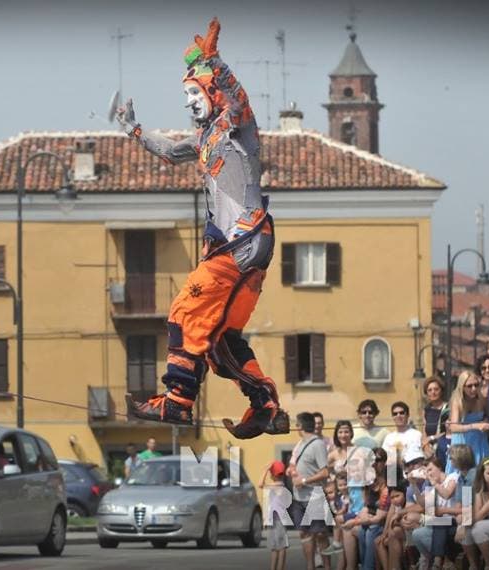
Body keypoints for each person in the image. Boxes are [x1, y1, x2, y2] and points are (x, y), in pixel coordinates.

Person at [118, 17, 288, 439]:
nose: (189, 102)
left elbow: (239, 97)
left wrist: (216, 62)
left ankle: (177, 401)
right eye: (186, 95)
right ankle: (265, 405)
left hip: (242, 242)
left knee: (183, 312)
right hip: (248, 249)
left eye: (195, 93)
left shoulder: (240, 130)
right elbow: (170, 150)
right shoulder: (204, 140)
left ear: (213, 92)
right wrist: (135, 130)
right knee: (219, 338)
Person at [288, 412, 330, 570]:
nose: (295, 428)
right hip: (299, 497)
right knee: (304, 534)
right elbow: (293, 463)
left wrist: (304, 480)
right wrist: (291, 471)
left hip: (314, 496)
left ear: (300, 426)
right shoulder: (300, 444)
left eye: (296, 425)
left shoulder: (317, 444)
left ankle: (326, 567)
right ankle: (310, 567)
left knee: (320, 534)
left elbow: (325, 472)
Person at [448, 370, 489, 472]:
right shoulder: (457, 401)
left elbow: (486, 416)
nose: (473, 389)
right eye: (469, 386)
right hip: (463, 443)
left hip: (479, 441)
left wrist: (485, 421)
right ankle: (465, 489)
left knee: (480, 475)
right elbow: (453, 427)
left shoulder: (481, 399)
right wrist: (475, 426)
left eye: (476, 385)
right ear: (462, 387)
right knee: (465, 477)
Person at [461, 457, 489, 570]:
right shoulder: (475, 487)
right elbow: (472, 512)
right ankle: (473, 565)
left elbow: (481, 514)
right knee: (467, 528)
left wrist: (463, 525)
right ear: (481, 474)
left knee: (475, 528)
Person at [260, 460, 289, 570]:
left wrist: (265, 469)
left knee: (280, 547)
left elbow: (260, 484)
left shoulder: (277, 485)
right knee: (276, 547)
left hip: (278, 520)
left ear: (273, 474)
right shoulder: (280, 485)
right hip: (275, 519)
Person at [382, 402, 423, 476]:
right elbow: (384, 461)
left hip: (414, 477)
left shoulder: (417, 434)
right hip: (394, 478)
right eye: (395, 414)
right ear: (392, 417)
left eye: (401, 413)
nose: (398, 416)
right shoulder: (389, 438)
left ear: (407, 415)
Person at [422, 377, 450, 465]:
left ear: (441, 391)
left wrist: (431, 438)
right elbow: (424, 430)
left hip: (444, 449)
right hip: (430, 452)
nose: (433, 392)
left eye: (436, 389)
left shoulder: (448, 408)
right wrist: (425, 446)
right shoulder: (426, 410)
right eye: (429, 390)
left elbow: (448, 431)